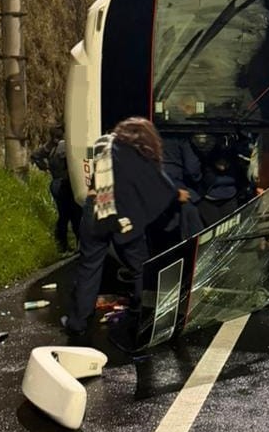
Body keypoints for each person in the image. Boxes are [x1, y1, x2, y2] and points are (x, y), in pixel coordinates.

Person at [65, 118, 186, 337]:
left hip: (94, 208)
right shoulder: (130, 152)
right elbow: (154, 181)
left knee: (89, 267)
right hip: (121, 212)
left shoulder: (102, 144)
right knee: (140, 266)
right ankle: (143, 314)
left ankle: (77, 322)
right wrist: (177, 194)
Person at [32, 125, 81, 252]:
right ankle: (79, 244)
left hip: (55, 182)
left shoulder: (49, 147)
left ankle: (62, 245)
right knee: (76, 214)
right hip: (67, 183)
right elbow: (86, 153)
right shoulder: (65, 146)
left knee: (63, 215)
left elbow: (35, 156)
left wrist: (45, 167)